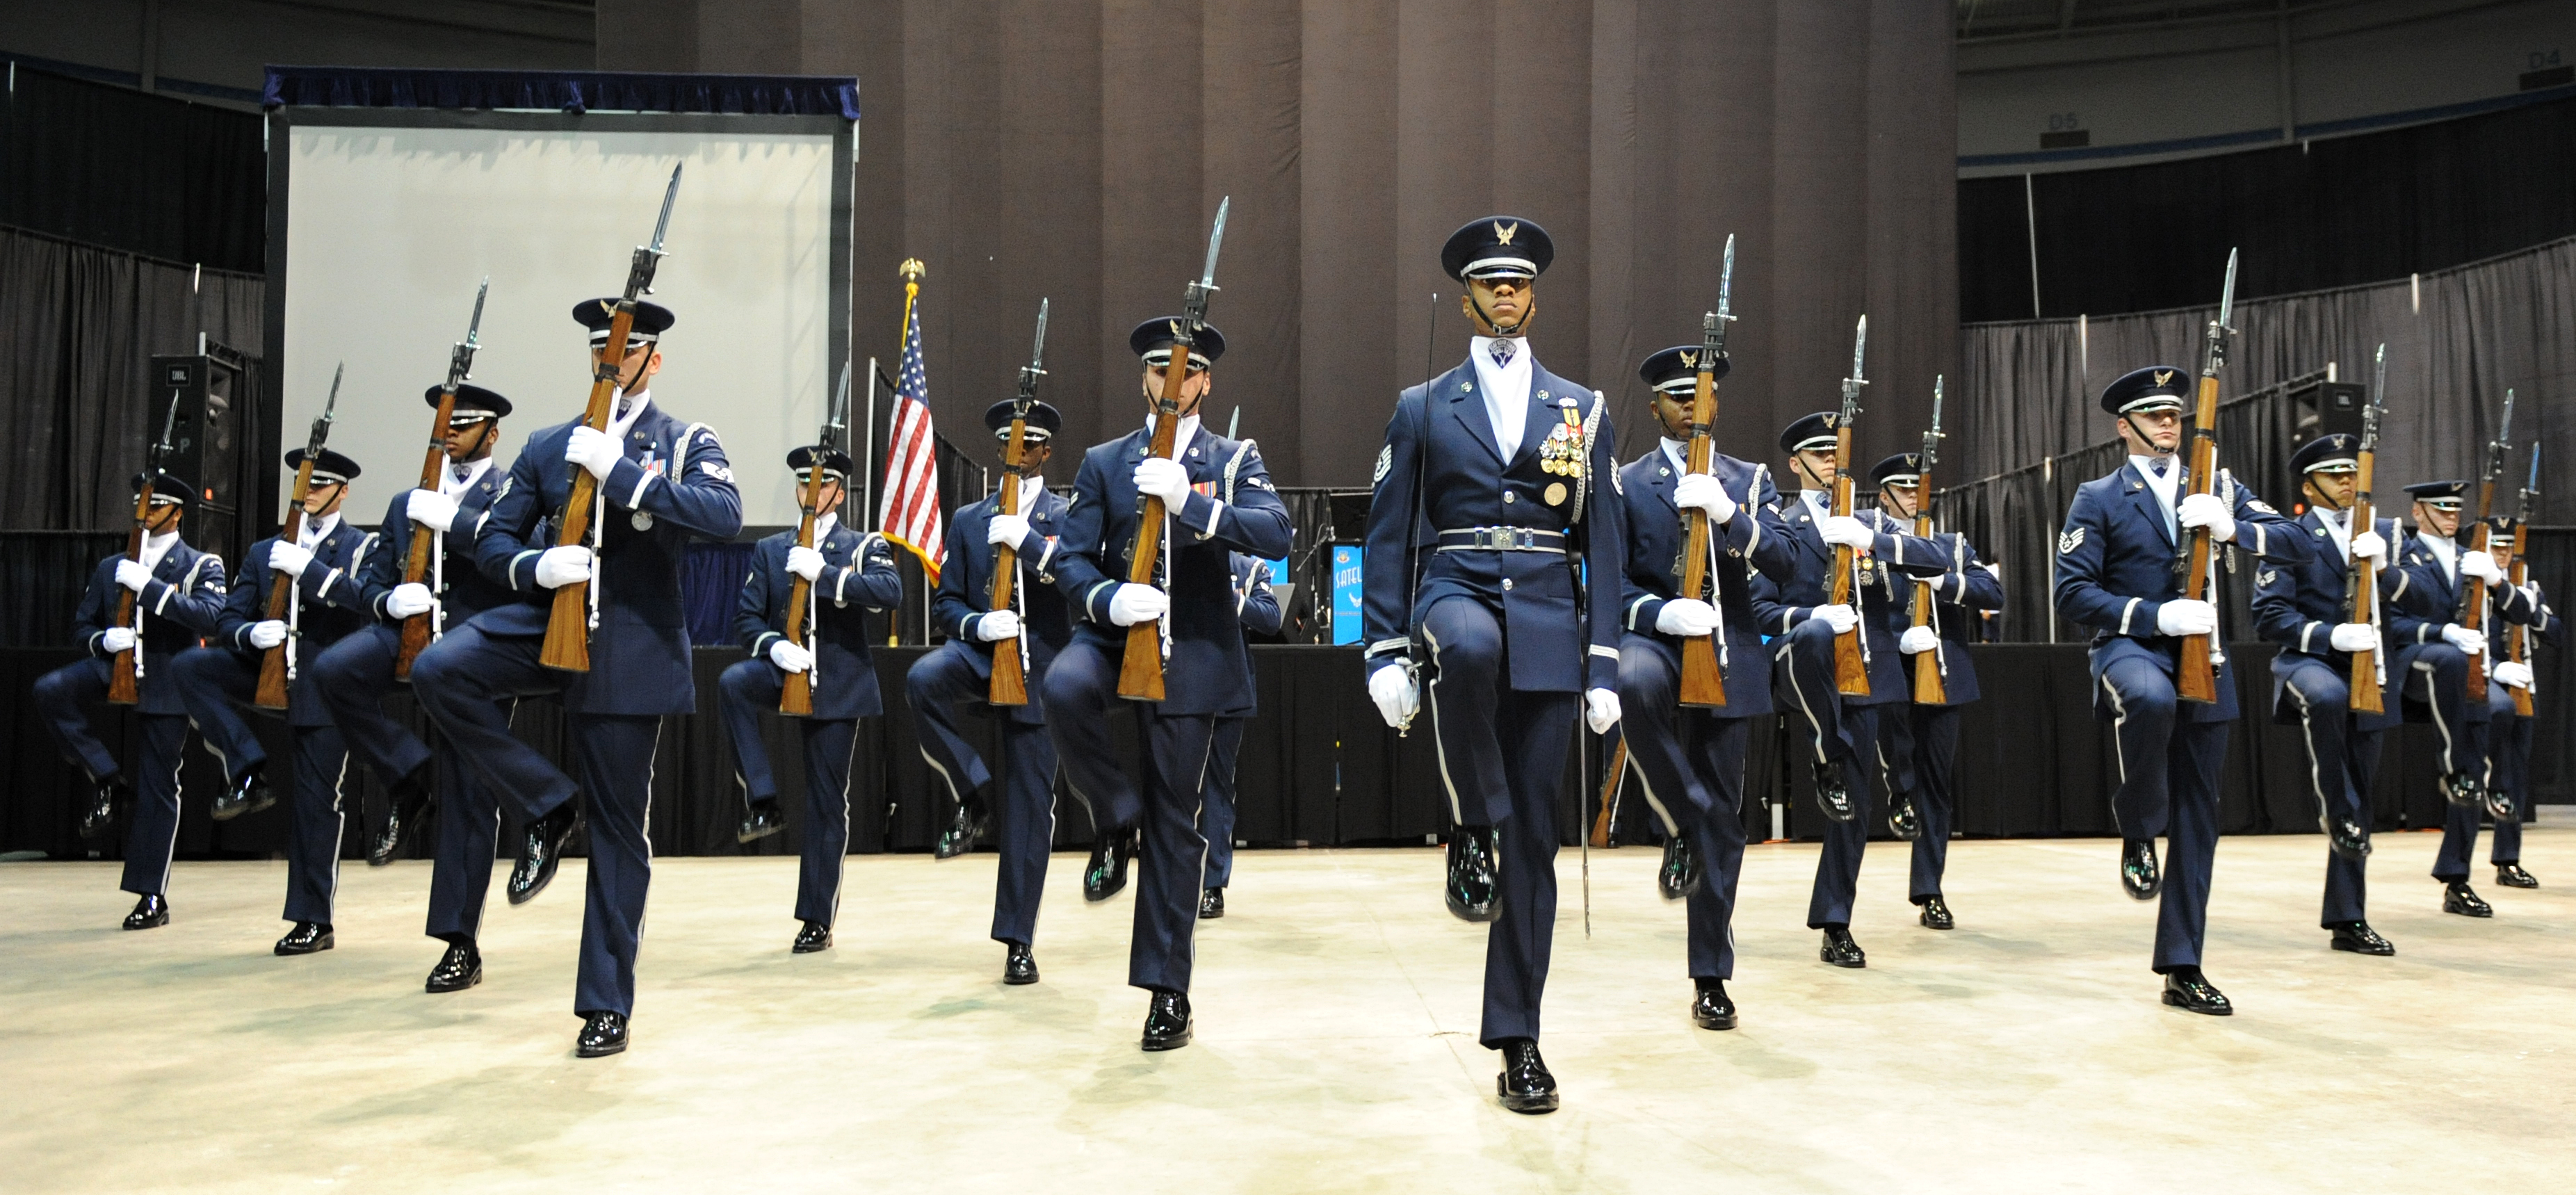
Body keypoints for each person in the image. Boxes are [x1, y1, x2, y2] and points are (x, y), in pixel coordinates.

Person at [409, 298, 742, 1057]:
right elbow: (493, 538)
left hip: (630, 640)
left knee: (622, 830)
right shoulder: (546, 442)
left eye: (626, 353)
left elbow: (724, 513)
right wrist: (532, 565)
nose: (611, 364)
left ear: (653, 361)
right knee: (441, 669)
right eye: (602, 352)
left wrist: (626, 477)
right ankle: (547, 802)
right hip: (547, 620)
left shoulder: (685, 439)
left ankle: (605, 1003)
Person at [1360, 217, 1622, 1114]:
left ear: (1535, 294)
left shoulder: (1580, 409)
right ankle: (1472, 819)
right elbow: (1389, 533)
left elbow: (1607, 544)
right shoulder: (1423, 404)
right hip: (1457, 582)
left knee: (1538, 845)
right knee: (1466, 649)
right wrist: (1385, 648)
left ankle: (1520, 1038)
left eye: (1518, 283)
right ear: (1467, 295)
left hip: (1551, 613)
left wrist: (1604, 663)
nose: (1505, 295)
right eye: (1489, 282)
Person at [1042, 315, 1292, 1052]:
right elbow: (1071, 560)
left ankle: (1166, 991)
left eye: (1185, 373)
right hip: (1115, 636)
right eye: (1159, 371)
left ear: (1206, 382)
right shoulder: (1101, 460)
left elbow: (1275, 533)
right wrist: (1107, 598)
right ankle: (1114, 816)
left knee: (1176, 823)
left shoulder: (1232, 456)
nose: (1171, 384)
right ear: (1143, 379)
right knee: (1060, 688)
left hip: (1195, 655)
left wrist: (1195, 504)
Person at [2052, 365, 2306, 1015]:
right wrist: (2151, 615)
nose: (2170, 422)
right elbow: (2071, 592)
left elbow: (2297, 543)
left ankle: (2182, 965)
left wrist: (2233, 528)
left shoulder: (2218, 485)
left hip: (2206, 659)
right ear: (2125, 426)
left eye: (2175, 412)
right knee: (2149, 701)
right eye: (2154, 413)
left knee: (2199, 817)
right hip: (2132, 647)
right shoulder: (2098, 496)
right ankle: (2137, 825)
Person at [1610, 343, 1793, 1030]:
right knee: (1634, 680)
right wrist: (1655, 613)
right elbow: (1608, 580)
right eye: (1676, 395)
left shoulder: (1747, 480)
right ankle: (1677, 808)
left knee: (1725, 824)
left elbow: (1785, 561)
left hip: (1728, 656)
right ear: (1654, 406)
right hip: (1656, 640)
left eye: (1701, 394)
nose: (1691, 406)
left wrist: (1730, 516)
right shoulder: (1627, 482)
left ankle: (1710, 973)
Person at [308, 383, 513, 993]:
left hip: (479, 648)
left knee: (470, 790)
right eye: (446, 422)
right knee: (335, 670)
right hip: (410, 638)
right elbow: (368, 581)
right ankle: (406, 771)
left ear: (492, 432)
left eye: (465, 422)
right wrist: (386, 598)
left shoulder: (508, 494)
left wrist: (462, 524)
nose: (451, 431)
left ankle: (459, 942)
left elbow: (517, 559)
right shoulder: (404, 503)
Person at [1749, 413, 1943, 969]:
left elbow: (1932, 561)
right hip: (1812, 669)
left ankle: (1835, 922)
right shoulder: (1782, 526)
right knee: (1846, 778)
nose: (1830, 460)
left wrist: (1873, 539)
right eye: (1818, 451)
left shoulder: (1867, 521)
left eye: (1836, 451)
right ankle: (1825, 754)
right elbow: (1760, 609)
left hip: (1869, 672)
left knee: (1854, 810)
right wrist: (1811, 613)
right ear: (1796, 464)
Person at [170, 448, 373, 955]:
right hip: (266, 671)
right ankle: (245, 766)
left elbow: (366, 602)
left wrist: (312, 572)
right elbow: (226, 619)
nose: (309, 492)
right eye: (304, 482)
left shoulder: (358, 546)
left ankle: (312, 919)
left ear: (343, 491)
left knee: (315, 803)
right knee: (191, 667)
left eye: (322, 484)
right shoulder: (265, 550)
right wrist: (248, 633)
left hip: (325, 684)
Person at [908, 399, 1074, 984]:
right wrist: (977, 626)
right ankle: (972, 786)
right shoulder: (967, 519)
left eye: (1026, 444)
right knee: (923, 678)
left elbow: (1080, 586)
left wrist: (1033, 545)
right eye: (1006, 442)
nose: (1015, 453)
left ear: (1045, 451)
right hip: (982, 654)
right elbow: (948, 599)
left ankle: (1017, 939)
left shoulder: (1065, 515)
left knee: (1031, 811)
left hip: (1038, 670)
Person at [718, 444, 900, 952]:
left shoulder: (862, 544)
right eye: (804, 483)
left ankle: (816, 917)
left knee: (825, 801)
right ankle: (763, 798)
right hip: (785, 671)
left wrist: (830, 576)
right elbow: (747, 618)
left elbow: (890, 591)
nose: (810, 492)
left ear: (839, 491)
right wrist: (773, 646)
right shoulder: (771, 550)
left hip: (838, 683)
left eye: (821, 484)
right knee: (733, 682)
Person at [2248, 434, 2420, 955]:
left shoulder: (2385, 531)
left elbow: (2433, 598)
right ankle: (2332, 805)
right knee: (2323, 698)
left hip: (2372, 670)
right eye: (2333, 473)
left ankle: (2348, 918)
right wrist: (2328, 635)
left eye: (2352, 471)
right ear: (2308, 484)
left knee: (2362, 792)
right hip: (2310, 661)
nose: (2347, 480)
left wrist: (2388, 571)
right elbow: (2268, 617)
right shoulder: (2289, 537)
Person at [31, 472, 227, 930]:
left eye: (156, 504)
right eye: (142, 501)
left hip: (165, 676)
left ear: (177, 511)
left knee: (160, 785)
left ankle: (151, 894)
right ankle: (106, 778)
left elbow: (211, 618)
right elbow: (81, 626)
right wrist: (103, 640)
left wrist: (152, 589)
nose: (145, 510)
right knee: (50, 690)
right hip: (114, 667)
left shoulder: (201, 563)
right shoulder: (111, 566)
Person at [2386, 480, 2541, 912]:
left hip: (2468, 672)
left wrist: (2495, 579)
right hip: (2417, 663)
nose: (2452, 515)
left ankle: (2458, 878)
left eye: (2457, 508)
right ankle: (2459, 768)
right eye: (2442, 508)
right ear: (2419, 512)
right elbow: (2390, 623)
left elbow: (2523, 614)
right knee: (2448, 661)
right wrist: (2442, 632)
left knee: (2504, 709)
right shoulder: (2400, 555)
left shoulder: (2471, 558)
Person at [1867, 451, 2003, 932]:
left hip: (1941, 668)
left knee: (1937, 781)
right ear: (1884, 495)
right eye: (1902, 488)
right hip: (1887, 663)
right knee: (1894, 746)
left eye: (1917, 487)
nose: (1911, 495)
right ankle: (1898, 790)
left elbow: (1992, 593)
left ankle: (1929, 888)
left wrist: (1944, 581)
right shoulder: (1869, 536)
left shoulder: (1950, 543)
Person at [1197, 551, 1283, 920]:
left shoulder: (1249, 568)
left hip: (1228, 690)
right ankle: (1172, 875)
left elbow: (1271, 618)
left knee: (1217, 786)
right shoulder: (1173, 558)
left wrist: (1233, 598)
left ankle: (1212, 884)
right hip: (1176, 683)